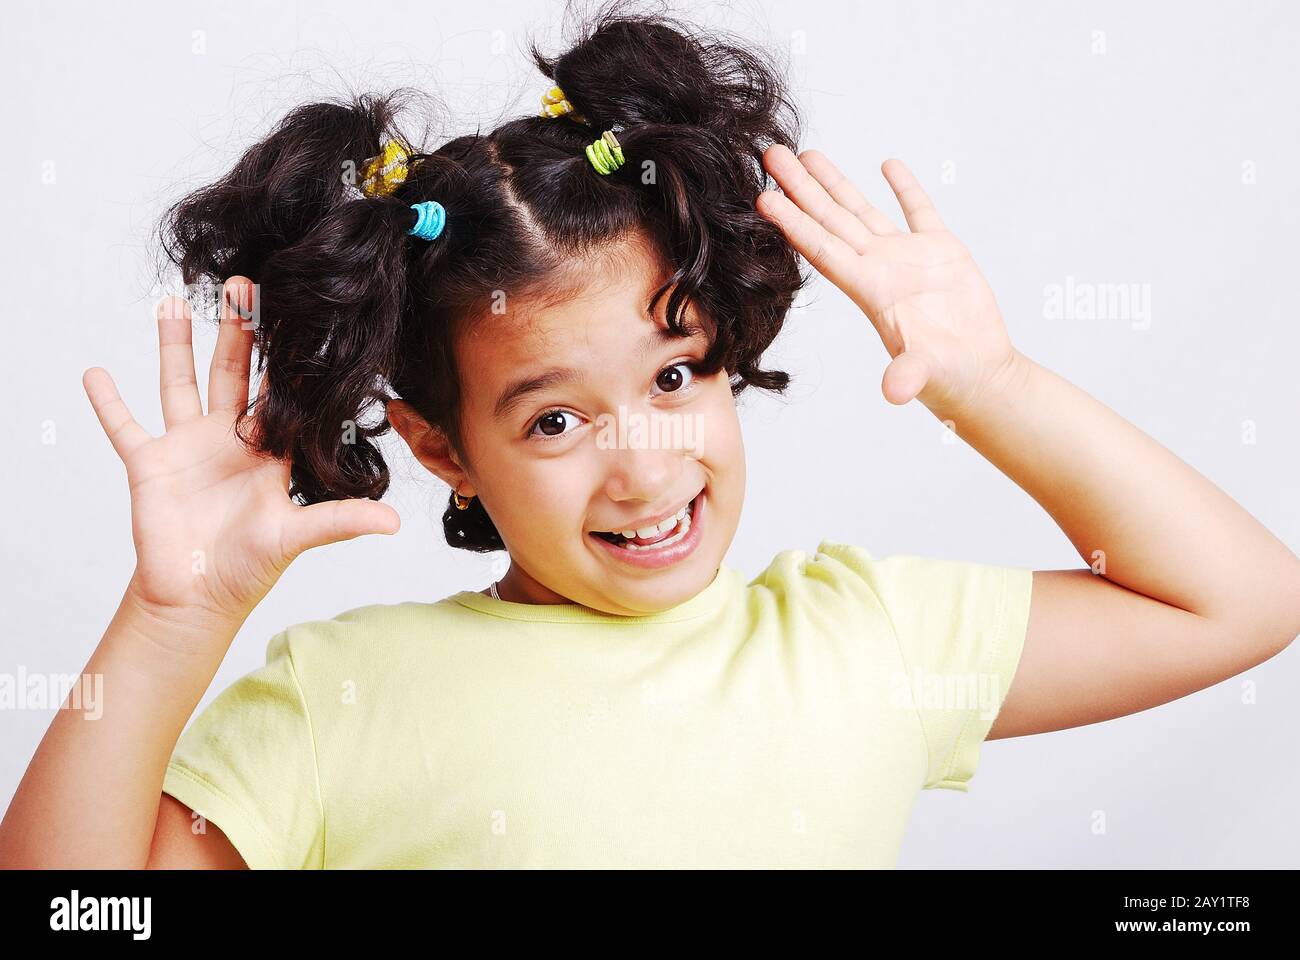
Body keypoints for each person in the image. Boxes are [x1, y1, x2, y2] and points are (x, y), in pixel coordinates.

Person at [2, 2, 1297, 869]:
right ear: (443, 446)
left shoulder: (866, 642)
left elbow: (1234, 603)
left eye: (675, 374)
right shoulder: (341, 697)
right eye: (555, 416)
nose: (645, 459)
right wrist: (174, 619)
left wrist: (992, 381)